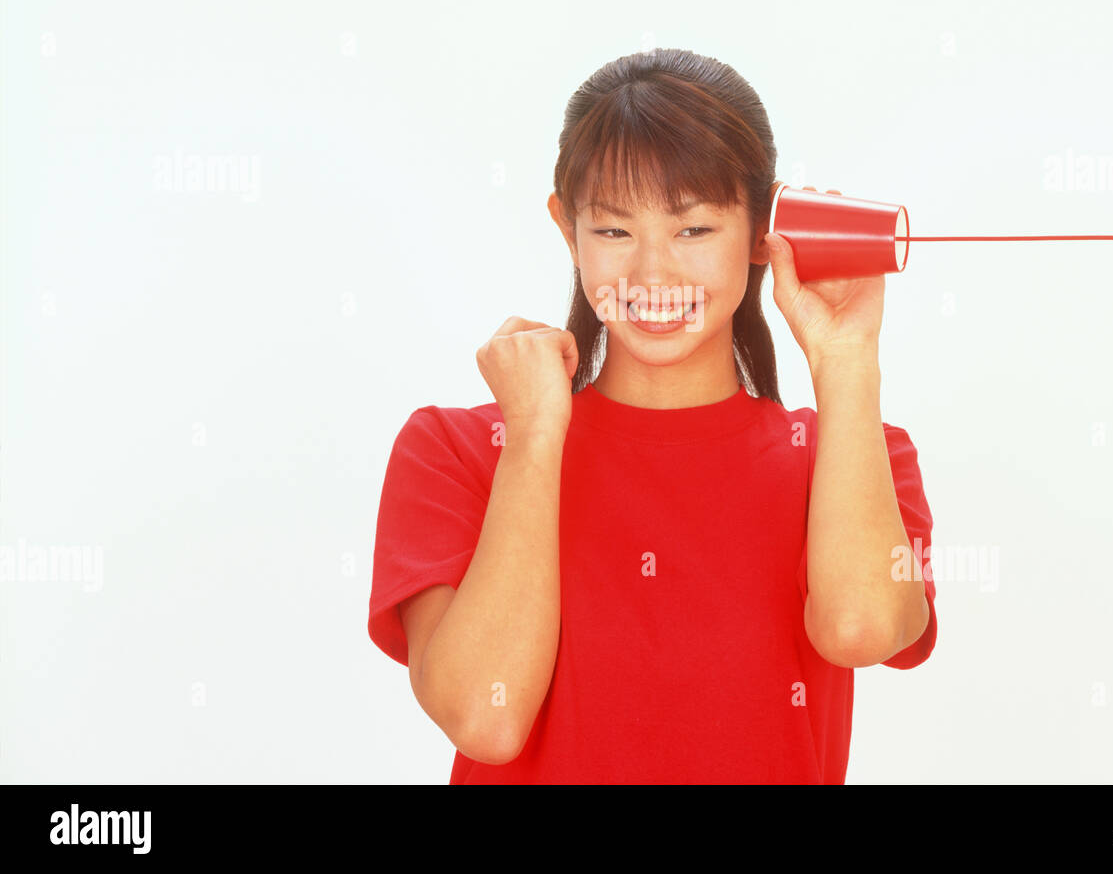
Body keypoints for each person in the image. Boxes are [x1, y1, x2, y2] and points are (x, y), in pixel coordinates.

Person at [367, 47, 937, 784]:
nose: (652, 275)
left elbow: (860, 629)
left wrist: (847, 359)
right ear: (566, 227)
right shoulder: (458, 449)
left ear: (764, 231)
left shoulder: (856, 457)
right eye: (612, 232)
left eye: (694, 230)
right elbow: (486, 717)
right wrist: (538, 435)